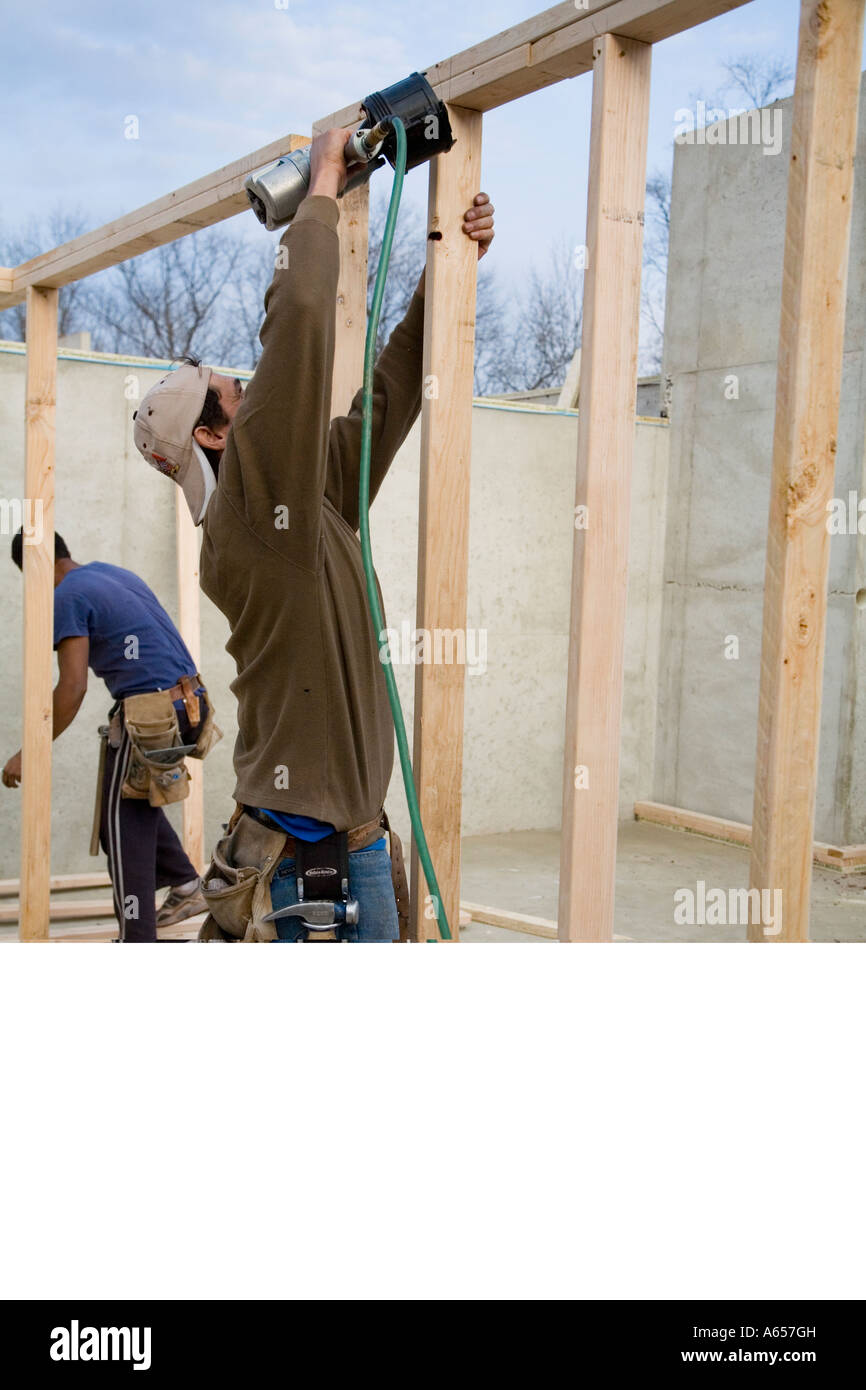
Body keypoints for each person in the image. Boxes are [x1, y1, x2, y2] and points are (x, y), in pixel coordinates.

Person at [132, 126, 495, 940]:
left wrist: (446, 273)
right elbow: (299, 317)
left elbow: (389, 401)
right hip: (308, 855)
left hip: (343, 839)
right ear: (218, 437)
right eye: (234, 388)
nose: (252, 385)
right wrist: (324, 181)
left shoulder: (304, 502)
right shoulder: (252, 518)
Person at [2, 530, 216, 940]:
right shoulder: (110, 574)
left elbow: (72, 688)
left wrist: (28, 752)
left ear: (35, 569)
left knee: (122, 828)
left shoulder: (67, 596)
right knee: (132, 804)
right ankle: (187, 884)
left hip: (152, 715)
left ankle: (137, 940)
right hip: (190, 702)